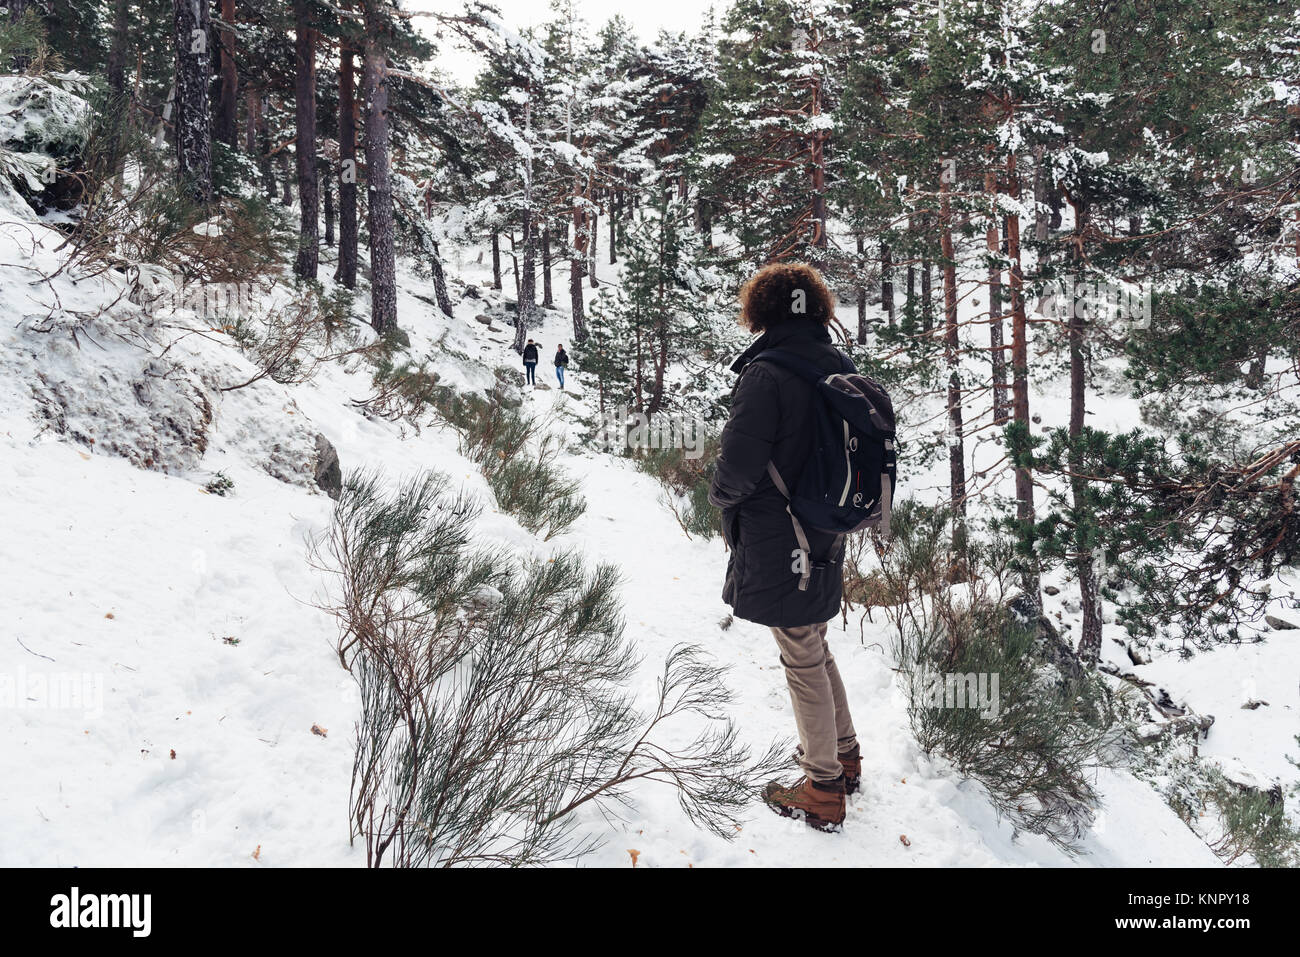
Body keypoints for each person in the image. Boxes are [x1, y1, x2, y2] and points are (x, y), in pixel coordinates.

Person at [707, 262, 860, 833]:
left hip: (780, 529)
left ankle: (822, 787)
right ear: (818, 309)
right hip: (824, 524)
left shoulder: (767, 374)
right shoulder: (837, 366)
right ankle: (844, 757)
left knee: (800, 651)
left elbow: (739, 466)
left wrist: (720, 497)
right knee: (813, 642)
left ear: (761, 312)